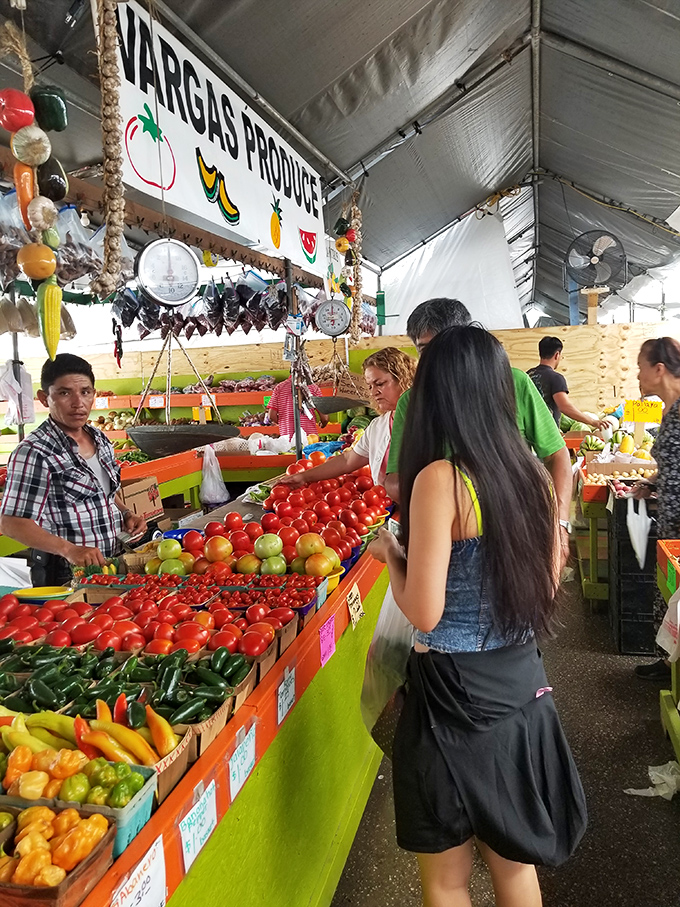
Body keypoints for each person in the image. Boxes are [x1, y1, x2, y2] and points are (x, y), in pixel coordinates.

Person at [368, 326, 587, 907]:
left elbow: (424, 610)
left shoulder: (441, 480)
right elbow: (545, 585)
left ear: (438, 393)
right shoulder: (535, 478)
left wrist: (393, 555)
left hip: (450, 697)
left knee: (447, 878)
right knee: (516, 869)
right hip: (520, 686)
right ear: (498, 389)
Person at [384, 298, 574, 566]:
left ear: (468, 343)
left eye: (442, 347)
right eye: (425, 350)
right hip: (447, 542)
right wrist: (438, 494)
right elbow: (394, 479)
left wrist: (559, 525)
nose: (435, 360)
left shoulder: (515, 383)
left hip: (516, 531)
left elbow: (557, 455)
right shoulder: (411, 402)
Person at [0, 354, 147, 585]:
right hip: (67, 573)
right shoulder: (35, 451)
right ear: (44, 398)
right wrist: (69, 550)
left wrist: (126, 513)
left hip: (112, 563)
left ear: (94, 394)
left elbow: (103, 492)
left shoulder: (99, 439)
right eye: (64, 393)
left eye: (85, 392)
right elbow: (11, 523)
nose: (78, 403)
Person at [277, 348, 417, 488]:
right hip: (386, 505)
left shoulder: (424, 421)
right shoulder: (377, 426)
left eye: (379, 384)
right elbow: (348, 460)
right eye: (370, 387)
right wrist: (303, 477)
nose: (374, 392)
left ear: (403, 379)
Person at [632, 337, 680, 681]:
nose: (637, 374)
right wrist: (652, 482)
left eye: (640, 366)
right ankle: (670, 664)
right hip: (671, 521)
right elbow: (672, 462)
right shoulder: (669, 409)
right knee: (672, 595)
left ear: (658, 369)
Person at [527, 336, 608, 430]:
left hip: (528, 433)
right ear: (557, 355)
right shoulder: (556, 378)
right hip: (547, 435)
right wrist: (593, 422)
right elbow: (564, 406)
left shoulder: (528, 375)